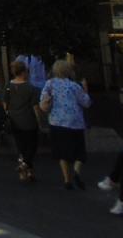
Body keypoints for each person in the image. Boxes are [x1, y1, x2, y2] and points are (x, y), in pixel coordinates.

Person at [40, 59, 92, 190]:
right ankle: (76, 171)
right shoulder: (74, 86)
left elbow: (43, 100)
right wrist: (86, 90)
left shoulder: (50, 84)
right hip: (75, 122)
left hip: (57, 121)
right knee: (79, 151)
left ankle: (67, 179)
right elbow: (86, 103)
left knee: (62, 152)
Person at [6, 60, 42, 182]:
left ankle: (27, 173)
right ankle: (25, 165)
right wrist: (40, 121)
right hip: (29, 121)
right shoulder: (31, 88)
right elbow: (35, 107)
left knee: (21, 147)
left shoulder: (8, 87)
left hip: (14, 120)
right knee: (31, 147)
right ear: (23, 72)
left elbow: (5, 104)